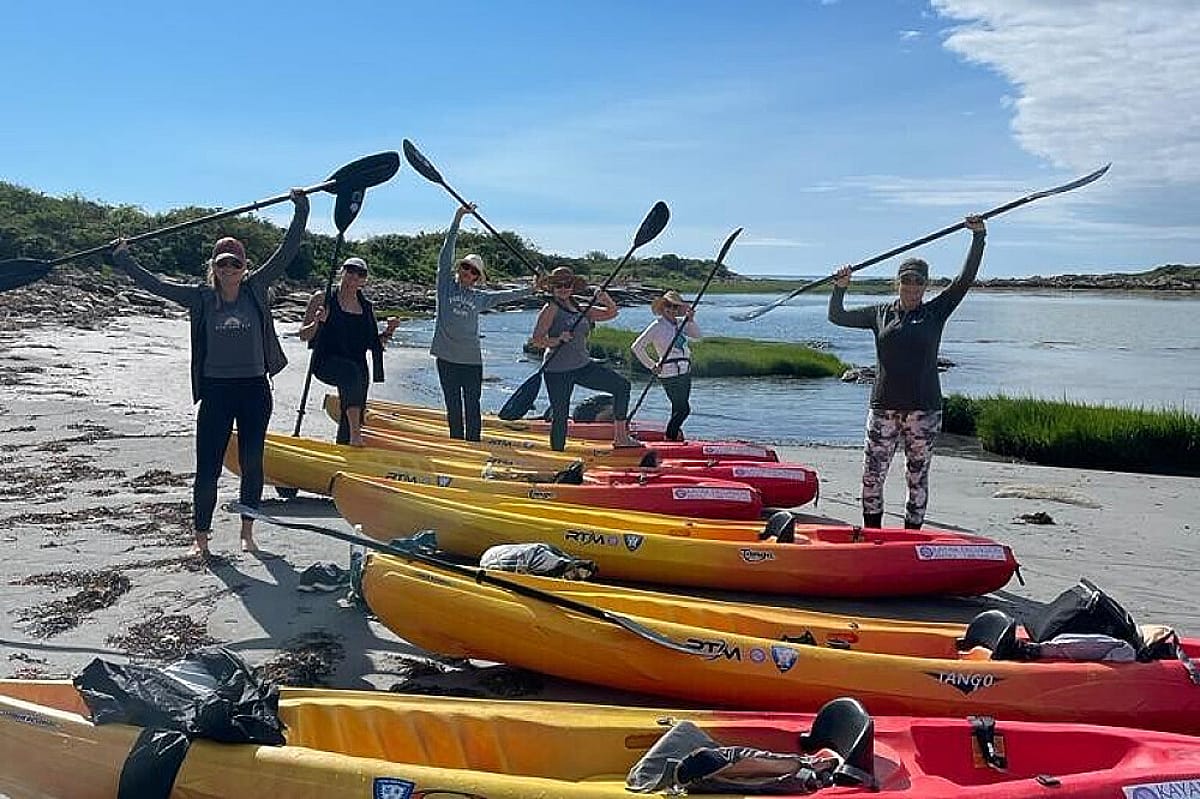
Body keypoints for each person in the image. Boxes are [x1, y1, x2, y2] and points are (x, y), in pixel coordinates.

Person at [111, 189, 310, 557]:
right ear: (213, 267)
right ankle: (200, 538)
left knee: (252, 465)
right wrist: (125, 260)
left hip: (254, 390)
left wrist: (302, 209)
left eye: (234, 264)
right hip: (216, 392)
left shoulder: (255, 289)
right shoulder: (201, 298)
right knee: (208, 468)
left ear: (244, 267)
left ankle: (248, 534)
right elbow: (156, 286)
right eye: (222, 264)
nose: (228, 269)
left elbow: (287, 250)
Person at [828, 215, 987, 530]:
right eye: (907, 281)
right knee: (872, 475)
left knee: (917, 477)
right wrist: (840, 287)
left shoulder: (936, 311)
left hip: (924, 410)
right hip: (883, 408)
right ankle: (873, 533)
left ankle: (911, 536)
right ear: (897, 283)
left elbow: (964, 279)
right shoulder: (879, 314)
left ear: (926, 284)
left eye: (918, 282)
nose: (912, 287)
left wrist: (978, 236)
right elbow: (837, 316)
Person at [430, 203, 536, 441]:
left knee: (472, 405)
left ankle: (474, 444)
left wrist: (532, 289)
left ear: (478, 277)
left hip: (470, 361)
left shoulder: (480, 298)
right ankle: (457, 442)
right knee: (453, 405)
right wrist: (458, 218)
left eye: (473, 271)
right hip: (446, 358)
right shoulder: (445, 286)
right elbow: (445, 255)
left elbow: (507, 296)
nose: (467, 272)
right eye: (465, 267)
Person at [531, 265, 640, 451]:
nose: (563, 288)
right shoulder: (551, 308)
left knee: (622, 386)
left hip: (582, 366)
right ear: (552, 288)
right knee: (560, 414)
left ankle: (621, 437)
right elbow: (537, 340)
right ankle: (558, 453)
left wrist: (605, 298)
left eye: (567, 284)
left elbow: (611, 313)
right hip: (557, 370)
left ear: (573, 286)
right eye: (558, 285)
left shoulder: (580, 307)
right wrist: (558, 339)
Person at [298, 256, 399, 446]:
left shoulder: (366, 307)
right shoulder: (322, 298)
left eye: (360, 274)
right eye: (351, 271)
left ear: (364, 280)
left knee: (358, 380)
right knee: (350, 373)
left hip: (357, 364)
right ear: (342, 272)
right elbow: (304, 335)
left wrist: (389, 330)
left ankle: (345, 444)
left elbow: (374, 344)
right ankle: (355, 435)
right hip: (326, 361)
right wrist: (317, 322)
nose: (354, 276)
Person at [630, 289, 700, 441]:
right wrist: (651, 365)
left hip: (684, 370)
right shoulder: (657, 326)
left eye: (675, 307)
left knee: (678, 407)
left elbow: (697, 335)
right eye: (668, 306)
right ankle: (670, 436)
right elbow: (637, 347)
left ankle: (673, 435)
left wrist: (691, 320)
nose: (671, 310)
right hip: (668, 372)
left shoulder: (681, 324)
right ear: (662, 307)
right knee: (684, 409)